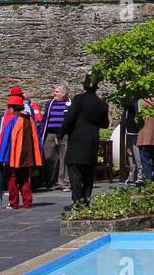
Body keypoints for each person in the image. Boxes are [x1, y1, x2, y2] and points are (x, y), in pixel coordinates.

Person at [60, 75, 109, 208]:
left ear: (85, 86)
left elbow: (69, 118)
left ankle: (77, 201)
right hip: (92, 139)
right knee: (88, 172)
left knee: (74, 171)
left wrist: (60, 134)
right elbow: (105, 124)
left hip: (77, 139)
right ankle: (86, 200)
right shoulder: (101, 104)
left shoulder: (79, 99)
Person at [0, 87, 43, 209]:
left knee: (12, 179)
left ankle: (14, 203)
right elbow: (36, 137)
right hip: (26, 155)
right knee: (25, 179)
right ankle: (27, 202)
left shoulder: (11, 119)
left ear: (11, 107)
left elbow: (5, 140)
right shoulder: (29, 119)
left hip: (12, 156)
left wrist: (1, 156)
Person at [40, 84, 71, 190]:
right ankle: (50, 181)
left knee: (65, 159)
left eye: (57, 92)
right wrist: (41, 133)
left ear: (64, 93)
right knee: (48, 157)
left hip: (65, 134)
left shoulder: (70, 104)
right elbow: (45, 119)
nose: (54, 93)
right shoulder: (50, 104)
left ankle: (64, 183)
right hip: (51, 134)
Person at [136, 102, 154, 183]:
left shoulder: (142, 101)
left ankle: (148, 183)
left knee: (145, 162)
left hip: (145, 136)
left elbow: (137, 119)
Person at [122, 100, 144, 185]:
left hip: (135, 130)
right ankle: (132, 176)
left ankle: (140, 176)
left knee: (137, 154)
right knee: (130, 154)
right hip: (128, 129)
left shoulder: (136, 98)